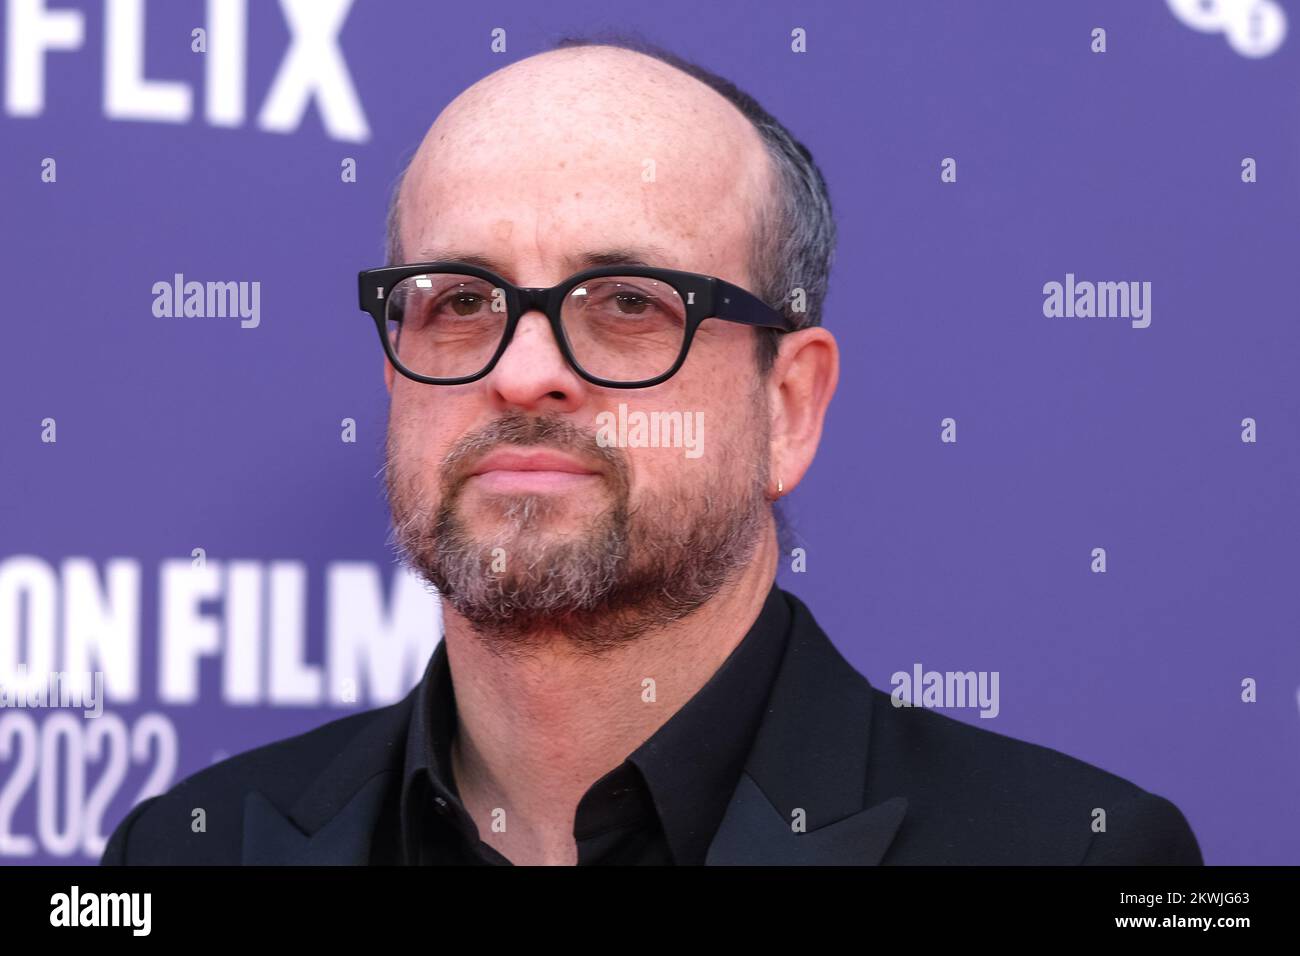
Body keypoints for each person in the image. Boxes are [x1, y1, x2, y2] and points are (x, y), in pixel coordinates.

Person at [102, 37, 1201, 866]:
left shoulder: (1077, 854)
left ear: (789, 404)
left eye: (628, 299)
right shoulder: (188, 850)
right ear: (394, 377)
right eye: (461, 300)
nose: (524, 368)